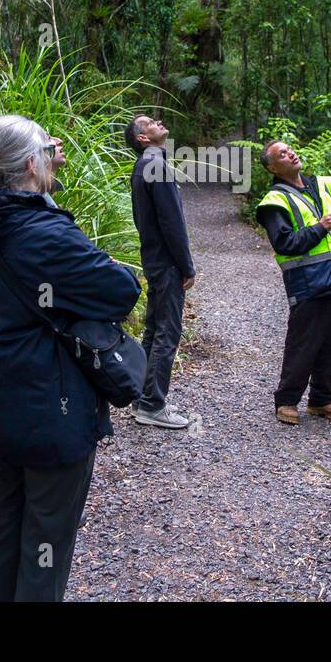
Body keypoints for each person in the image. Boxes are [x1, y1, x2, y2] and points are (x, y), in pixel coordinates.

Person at [0, 114, 141, 602]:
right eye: (46, 152)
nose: (53, 159)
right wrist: (109, 269)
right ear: (31, 165)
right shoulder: (41, 232)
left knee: (5, 526)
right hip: (49, 411)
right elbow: (121, 291)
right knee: (46, 542)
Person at [255, 132, 331, 425]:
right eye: (282, 154)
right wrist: (321, 228)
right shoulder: (274, 201)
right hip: (306, 281)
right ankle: (286, 401)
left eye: (290, 150)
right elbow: (285, 243)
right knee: (304, 342)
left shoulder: (321, 185)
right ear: (273, 168)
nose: (291, 154)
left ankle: (322, 401)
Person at [124, 115, 195, 429]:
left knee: (154, 330)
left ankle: (143, 397)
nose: (160, 121)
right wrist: (186, 265)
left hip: (153, 258)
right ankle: (153, 405)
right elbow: (172, 222)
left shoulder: (144, 166)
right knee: (167, 331)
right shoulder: (155, 165)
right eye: (151, 122)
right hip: (166, 262)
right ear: (142, 138)